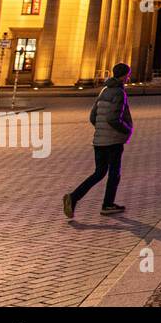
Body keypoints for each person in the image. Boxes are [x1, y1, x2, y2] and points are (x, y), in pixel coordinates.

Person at [63, 62, 134, 218]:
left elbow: (93, 116)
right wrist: (127, 129)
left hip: (99, 140)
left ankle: (74, 197)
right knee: (114, 173)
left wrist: (101, 129)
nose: (128, 78)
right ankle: (107, 205)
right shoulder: (119, 93)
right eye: (128, 75)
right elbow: (113, 118)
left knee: (99, 173)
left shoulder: (104, 91)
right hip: (113, 140)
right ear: (124, 76)